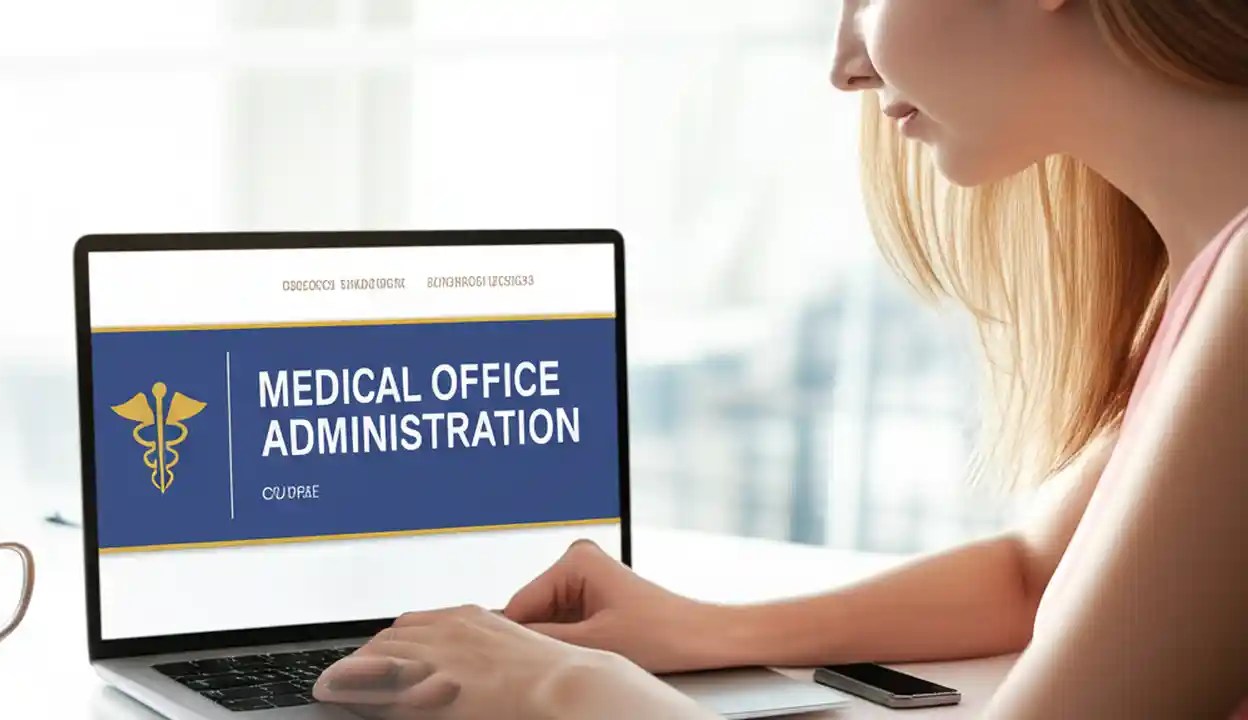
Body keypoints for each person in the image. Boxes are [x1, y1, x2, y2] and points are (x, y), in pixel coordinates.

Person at [313, 1, 1248, 717]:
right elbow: (1035, 576)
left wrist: (565, 690)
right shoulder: (1209, 278)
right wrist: (698, 628)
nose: (846, 66)